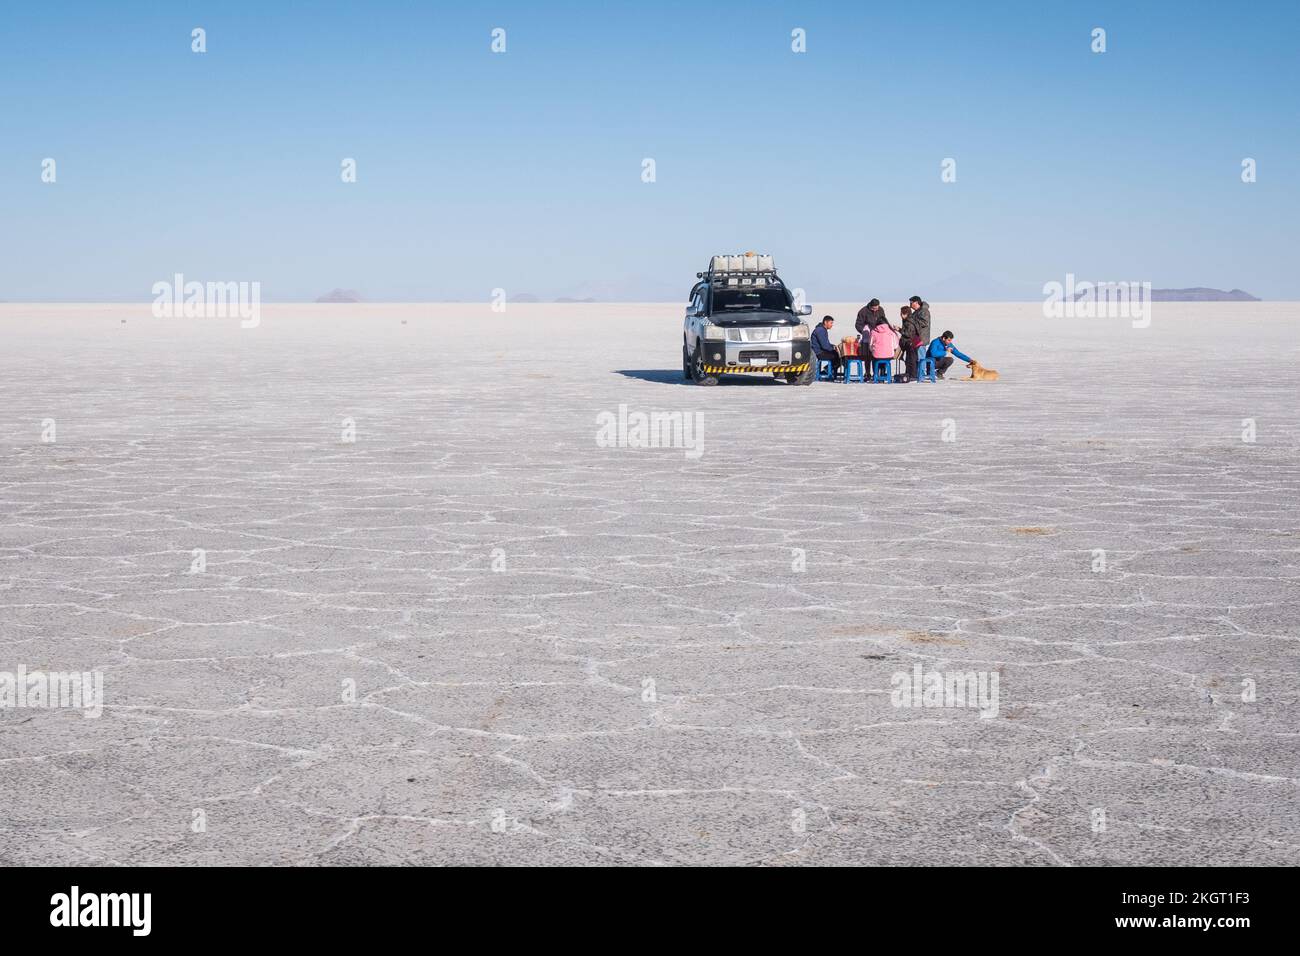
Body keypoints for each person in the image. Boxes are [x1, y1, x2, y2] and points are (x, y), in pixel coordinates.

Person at [900, 295, 932, 381]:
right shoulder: (917, 312)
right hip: (915, 339)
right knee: (915, 358)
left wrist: (910, 320)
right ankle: (916, 374)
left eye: (911, 303)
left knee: (920, 358)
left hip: (921, 339)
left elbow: (924, 323)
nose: (910, 304)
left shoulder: (924, 311)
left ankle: (921, 375)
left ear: (916, 302)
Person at [811, 315, 842, 379]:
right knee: (838, 357)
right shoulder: (820, 330)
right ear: (825, 322)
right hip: (818, 353)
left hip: (821, 351)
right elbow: (825, 346)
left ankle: (827, 370)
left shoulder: (822, 330)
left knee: (837, 355)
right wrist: (833, 348)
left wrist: (833, 346)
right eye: (831, 323)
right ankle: (827, 371)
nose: (831, 325)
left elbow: (826, 344)